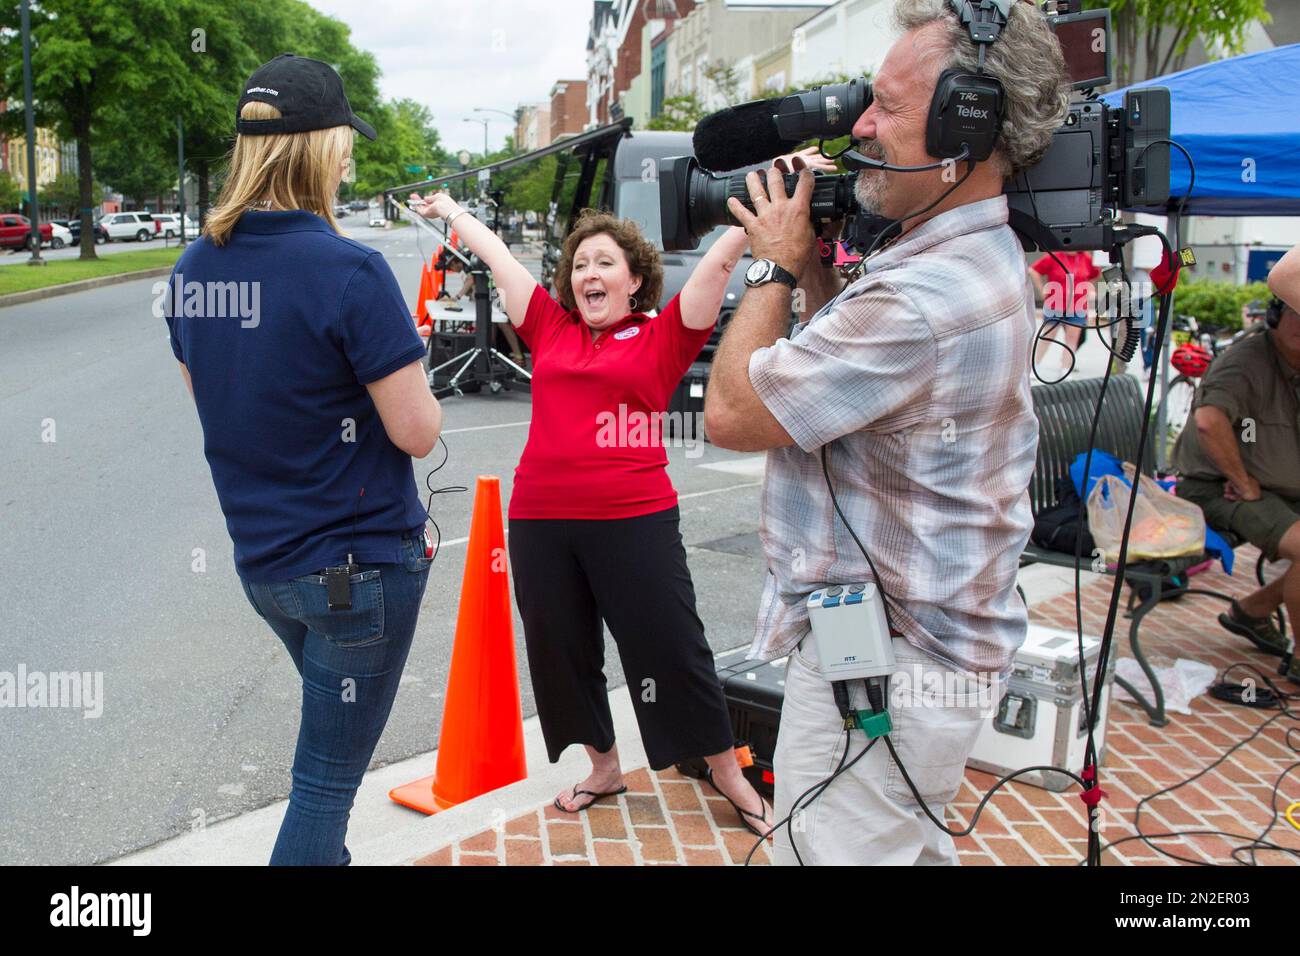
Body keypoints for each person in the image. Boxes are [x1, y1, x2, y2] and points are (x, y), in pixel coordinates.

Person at [704, 0, 1070, 864]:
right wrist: (821, 275)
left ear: (965, 126)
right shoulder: (961, 258)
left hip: (887, 666)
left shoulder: (923, 298)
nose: (862, 126)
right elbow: (853, 386)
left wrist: (771, 263)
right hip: (905, 652)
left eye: (890, 108)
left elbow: (733, 413)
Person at [407, 191, 776, 837]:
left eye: (603, 263)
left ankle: (725, 770)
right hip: (542, 522)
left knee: (672, 650)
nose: (588, 275)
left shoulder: (663, 335)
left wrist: (755, 208)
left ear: (634, 280)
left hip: (635, 520)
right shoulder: (551, 328)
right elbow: (497, 258)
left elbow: (719, 267)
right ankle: (604, 766)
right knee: (561, 651)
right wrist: (451, 212)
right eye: (579, 265)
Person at [162, 54, 442, 865]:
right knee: (323, 785)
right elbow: (417, 432)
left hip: (268, 572)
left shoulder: (191, 273)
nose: (350, 156)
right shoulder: (349, 271)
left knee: (329, 762)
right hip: (356, 574)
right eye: (344, 140)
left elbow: (223, 404)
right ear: (318, 148)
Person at [1172, 242, 1300, 683]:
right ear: (1276, 314)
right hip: (1217, 487)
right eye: (1293, 313)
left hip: (1273, 487)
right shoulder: (1249, 358)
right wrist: (1241, 480)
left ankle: (1253, 610)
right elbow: (1209, 422)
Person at [1030, 249, 1101, 372]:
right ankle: (1034, 366)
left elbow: (1095, 274)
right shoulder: (1054, 256)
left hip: (1077, 305)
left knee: (1072, 339)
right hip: (1055, 304)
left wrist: (1086, 288)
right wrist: (1042, 290)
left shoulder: (1086, 258)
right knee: (1048, 335)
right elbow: (1033, 270)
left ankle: (1065, 369)